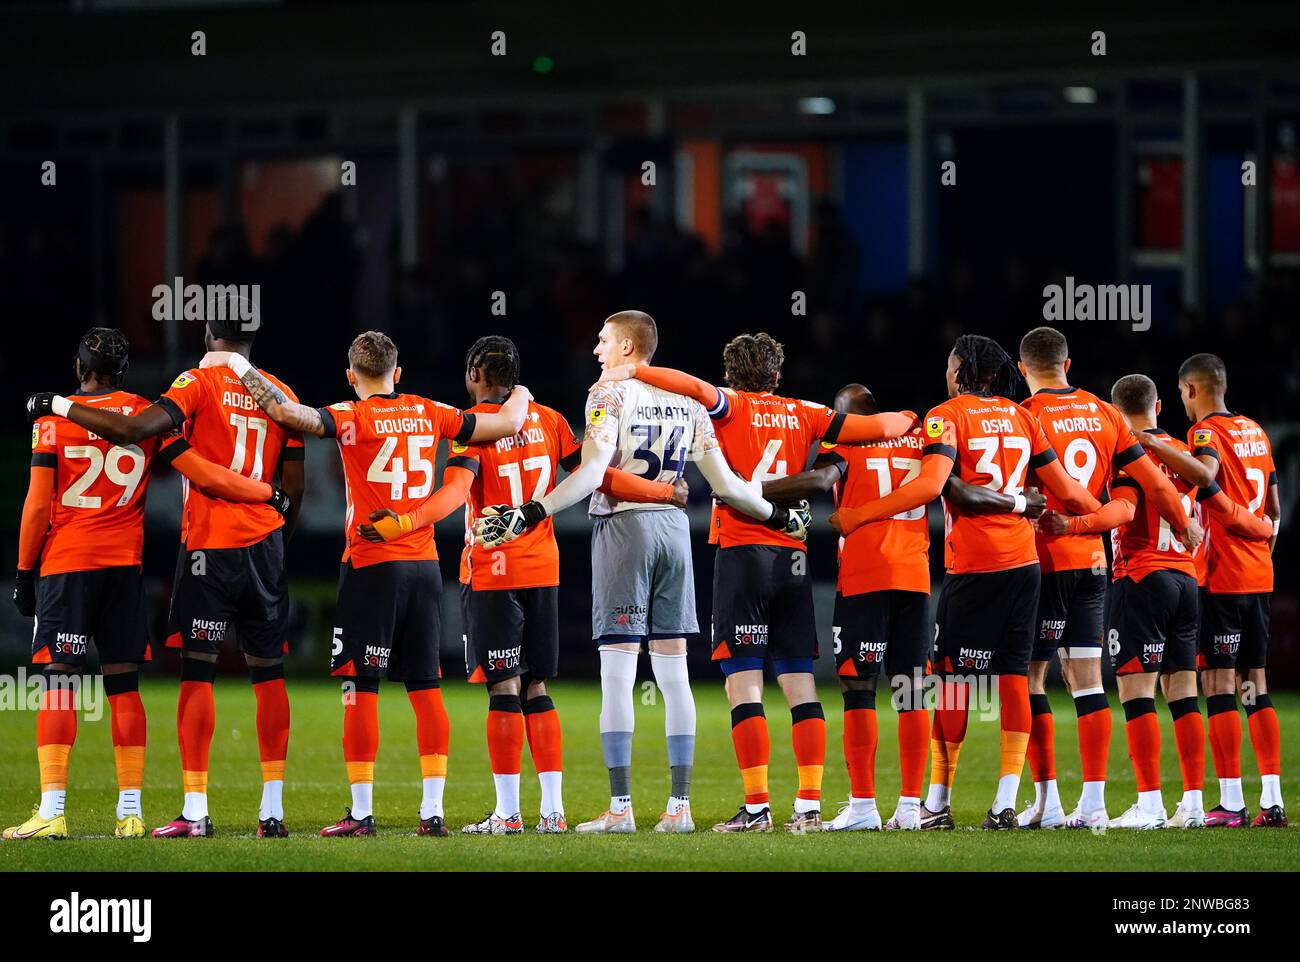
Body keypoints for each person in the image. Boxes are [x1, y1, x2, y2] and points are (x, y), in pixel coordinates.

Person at [201, 331, 530, 837]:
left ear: (351, 377)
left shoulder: (349, 415)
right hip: (423, 565)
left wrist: (233, 363)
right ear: (398, 374)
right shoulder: (430, 410)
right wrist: (522, 391)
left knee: (360, 689)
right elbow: (508, 420)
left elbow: (290, 415)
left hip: (371, 563)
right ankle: (432, 812)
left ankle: (361, 813)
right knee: (426, 688)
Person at [475, 311, 786, 834]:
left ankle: (621, 809)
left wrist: (533, 511)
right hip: (675, 533)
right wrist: (778, 515)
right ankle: (679, 808)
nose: (596, 350)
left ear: (625, 345)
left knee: (617, 675)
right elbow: (728, 486)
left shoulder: (607, 393)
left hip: (624, 530)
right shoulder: (688, 398)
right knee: (674, 674)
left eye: (601, 341)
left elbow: (594, 473)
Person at [594, 332, 917, 833]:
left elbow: (689, 386)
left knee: (744, 683)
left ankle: (758, 808)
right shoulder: (805, 411)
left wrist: (633, 371)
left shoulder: (730, 405)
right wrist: (910, 419)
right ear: (777, 375)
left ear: (730, 375)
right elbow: (877, 425)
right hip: (792, 555)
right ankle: (809, 806)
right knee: (799, 681)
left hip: (742, 549)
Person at [27, 312, 306, 839]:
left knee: (196, 673)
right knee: (269, 674)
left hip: (201, 548)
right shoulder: (282, 392)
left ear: (207, 337)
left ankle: (195, 811)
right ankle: (272, 812)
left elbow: (141, 437)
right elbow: (294, 486)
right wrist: (270, 533)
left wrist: (56, 403)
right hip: (264, 547)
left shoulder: (194, 382)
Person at [830, 334, 1107, 829]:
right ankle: (1004, 802)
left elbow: (933, 485)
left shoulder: (946, 415)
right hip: (1025, 564)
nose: (945, 371)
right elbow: (1066, 488)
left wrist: (860, 515)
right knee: (1014, 679)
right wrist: (1107, 516)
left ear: (960, 371)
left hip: (976, 564)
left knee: (955, 683)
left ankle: (936, 801)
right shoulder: (1023, 415)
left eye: (949, 364)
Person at [761, 382, 1044, 831]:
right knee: (912, 691)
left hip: (865, 577)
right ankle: (912, 807)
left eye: (840, 418)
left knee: (858, 691)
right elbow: (947, 483)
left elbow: (818, 481)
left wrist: (748, 490)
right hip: (915, 580)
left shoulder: (847, 446)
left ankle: (863, 807)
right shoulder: (921, 438)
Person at [1038, 374, 1271, 828]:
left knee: (1136, 692)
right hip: (1187, 581)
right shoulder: (1185, 450)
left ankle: (1148, 805)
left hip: (1141, 575)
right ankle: (1192, 803)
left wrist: (1072, 526)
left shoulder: (1127, 454)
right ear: (1160, 405)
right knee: (1183, 694)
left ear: (1112, 410)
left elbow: (1123, 508)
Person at [1016, 327, 1198, 829]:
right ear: (1068, 365)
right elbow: (1152, 480)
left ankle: (1048, 802)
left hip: (1046, 557)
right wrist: (1185, 525)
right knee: (1087, 679)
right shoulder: (1104, 412)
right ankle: (1093, 802)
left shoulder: (1026, 416)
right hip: (1096, 562)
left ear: (1022, 368)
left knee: (1032, 678)